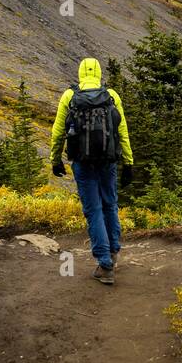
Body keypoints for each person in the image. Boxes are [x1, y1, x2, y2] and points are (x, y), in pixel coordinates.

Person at [50, 58, 134, 285]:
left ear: (80, 73)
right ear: (98, 73)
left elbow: (58, 131)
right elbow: (122, 130)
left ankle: (105, 264)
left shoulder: (69, 96)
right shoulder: (112, 96)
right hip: (108, 161)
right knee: (110, 204)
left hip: (82, 162)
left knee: (93, 209)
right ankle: (113, 253)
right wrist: (129, 162)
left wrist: (55, 159)